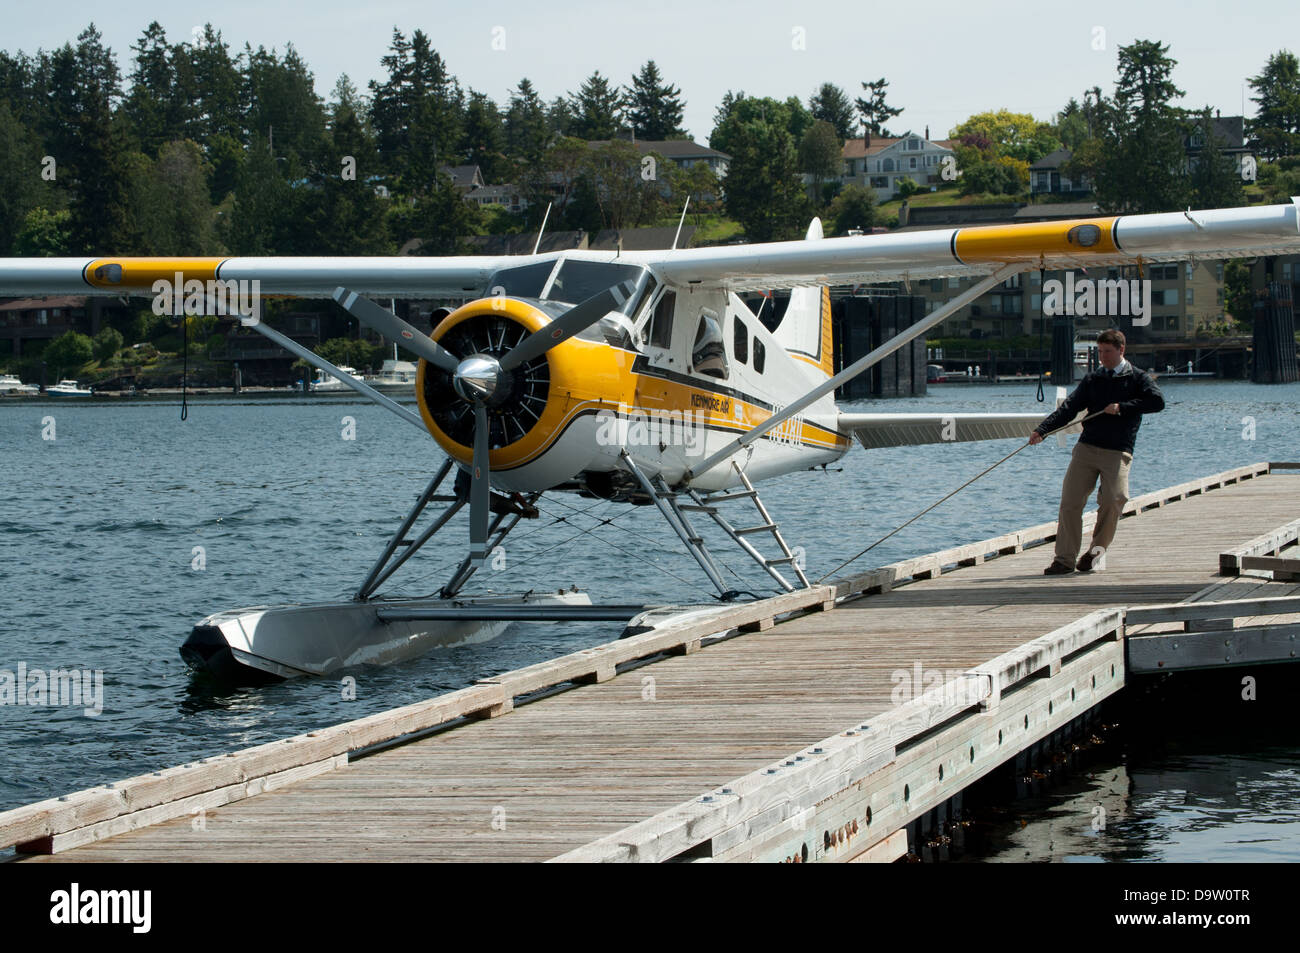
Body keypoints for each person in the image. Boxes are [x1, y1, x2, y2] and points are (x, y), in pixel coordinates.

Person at [1028, 329, 1165, 574]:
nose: (1103, 357)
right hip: (1087, 448)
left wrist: (1122, 407)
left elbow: (1157, 402)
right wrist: (1043, 430)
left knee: (1115, 500)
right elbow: (1069, 408)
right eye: (1100, 352)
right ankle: (1064, 560)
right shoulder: (1093, 380)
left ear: (1121, 350)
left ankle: (1095, 552)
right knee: (1070, 502)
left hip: (1117, 451)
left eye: (1107, 352)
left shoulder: (1138, 378)